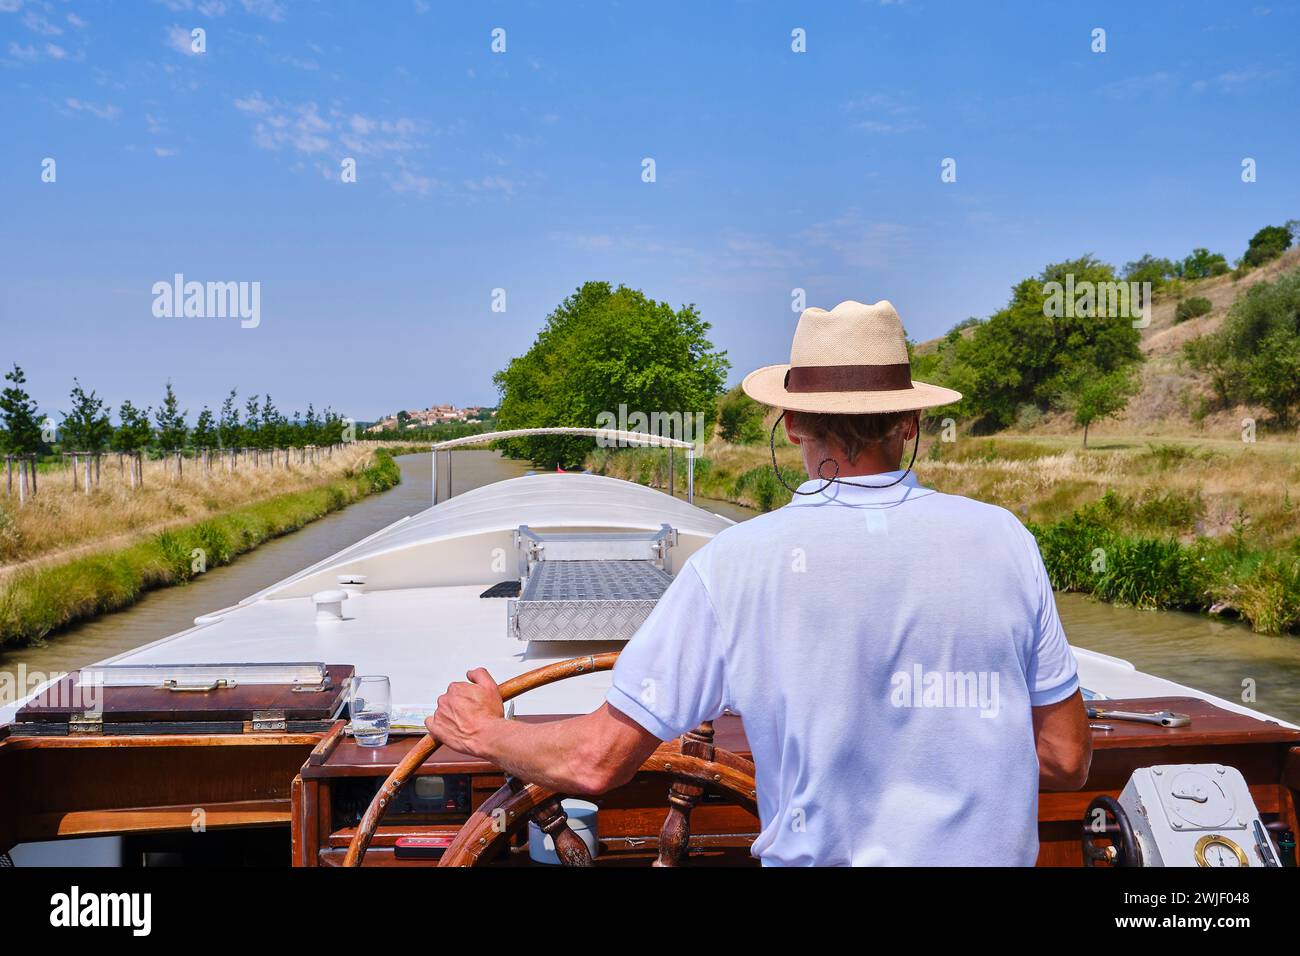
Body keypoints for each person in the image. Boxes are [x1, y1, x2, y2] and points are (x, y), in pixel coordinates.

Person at [427, 299, 1092, 865]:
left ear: (792, 422)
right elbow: (1066, 759)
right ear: (909, 422)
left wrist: (486, 733)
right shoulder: (1007, 540)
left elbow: (597, 762)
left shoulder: (736, 564)